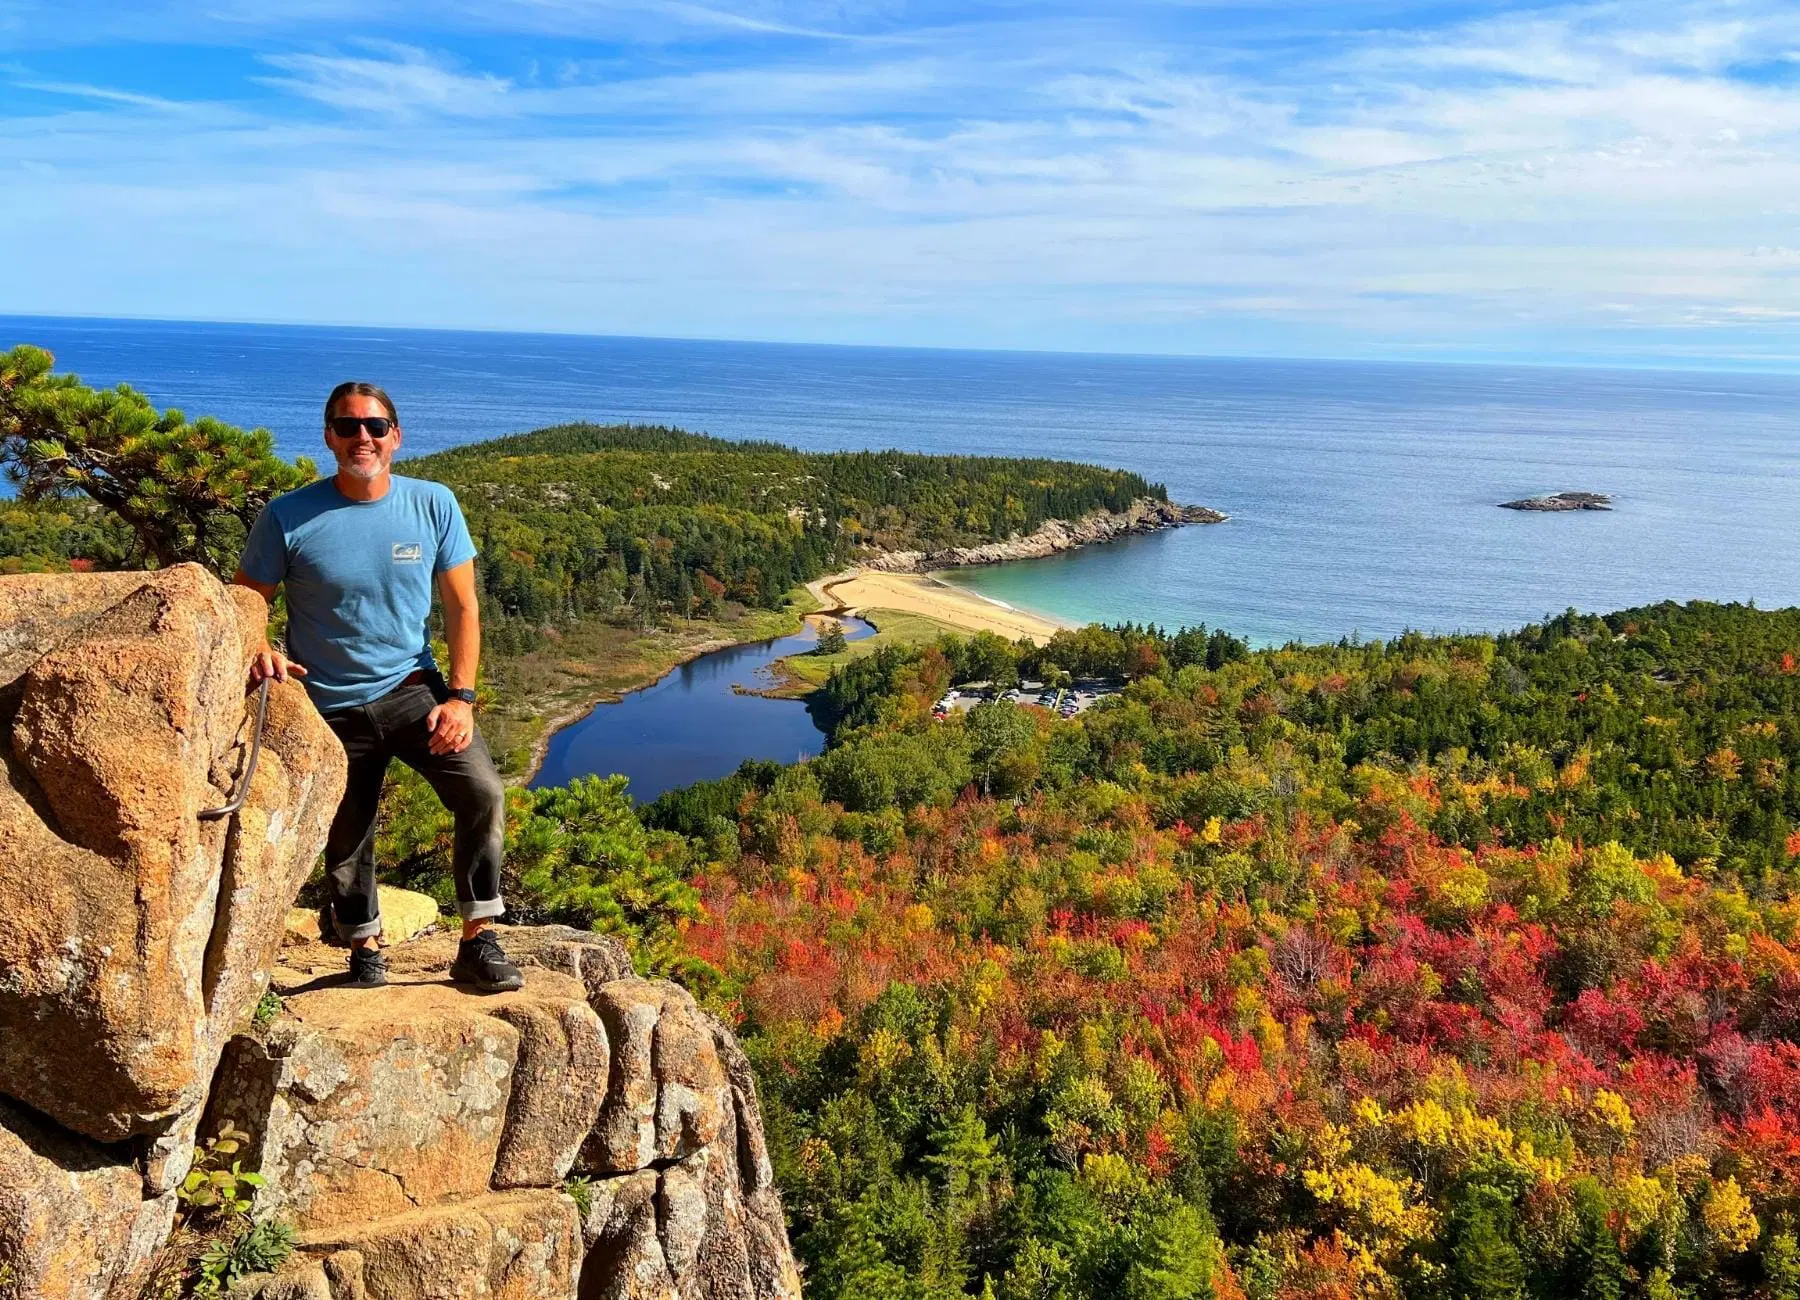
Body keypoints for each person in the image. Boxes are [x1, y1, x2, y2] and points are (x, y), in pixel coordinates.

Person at [234, 381, 522, 993]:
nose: (362, 437)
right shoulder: (288, 516)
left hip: (413, 691)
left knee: (482, 793)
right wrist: (259, 645)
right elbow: (245, 600)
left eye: (375, 426)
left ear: (396, 435)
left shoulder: (433, 504)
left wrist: (460, 699)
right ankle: (361, 945)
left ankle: (478, 940)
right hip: (328, 703)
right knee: (347, 831)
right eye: (347, 426)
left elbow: (463, 608)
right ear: (328, 436)